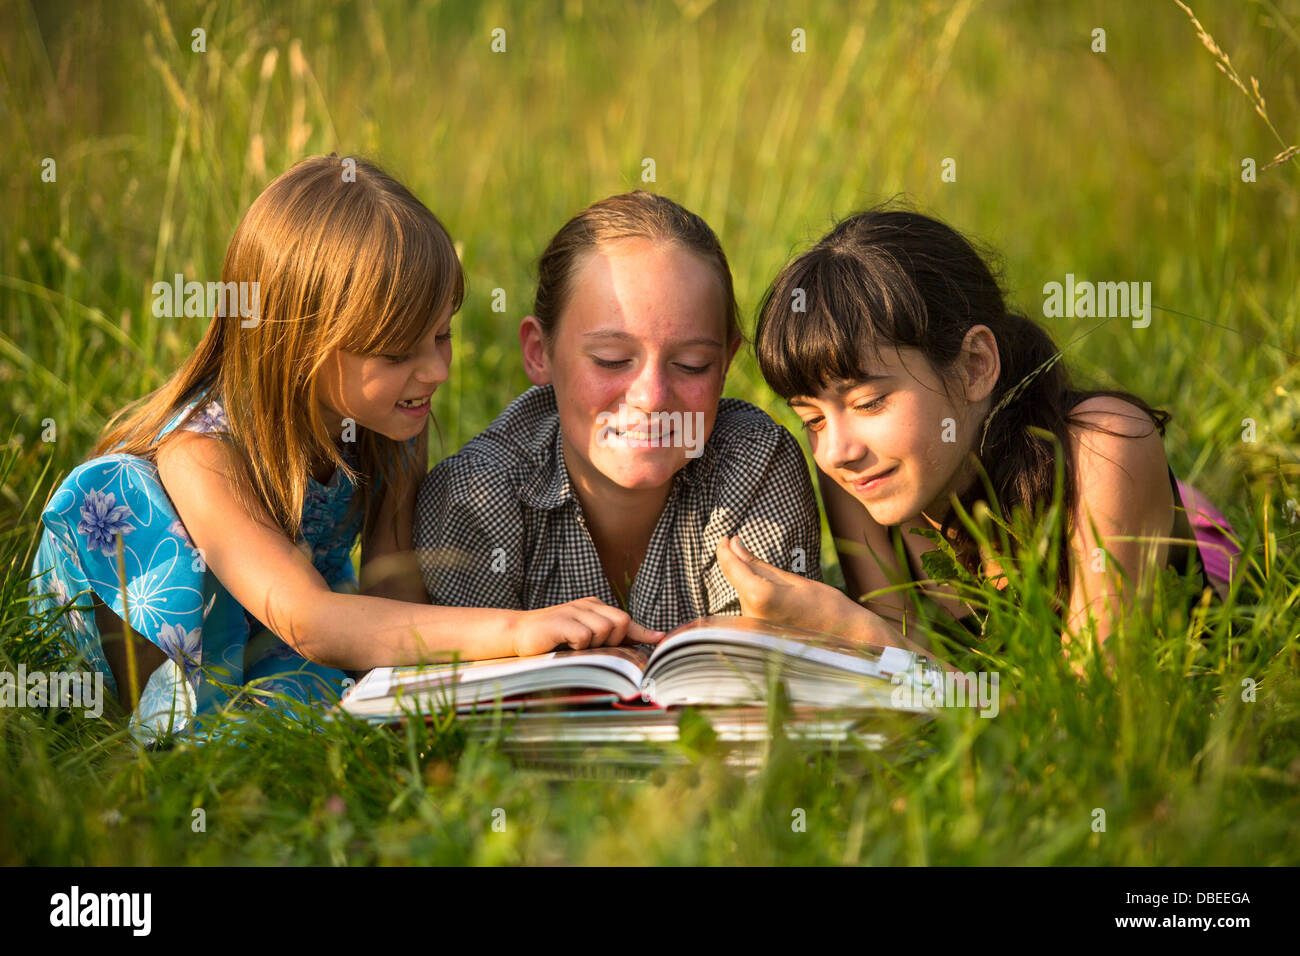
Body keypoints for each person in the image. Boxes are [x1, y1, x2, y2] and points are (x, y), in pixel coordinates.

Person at [28, 155, 660, 744]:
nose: (437, 370)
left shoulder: (388, 429)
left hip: (278, 624)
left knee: (336, 717)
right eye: (398, 353)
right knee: (120, 495)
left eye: (442, 336)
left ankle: (242, 715)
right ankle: (150, 728)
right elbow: (310, 619)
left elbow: (395, 599)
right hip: (175, 623)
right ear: (300, 345)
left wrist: (514, 668)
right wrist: (519, 631)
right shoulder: (203, 451)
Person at [714, 206, 1241, 671]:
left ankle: (1196, 510)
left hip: (1148, 528)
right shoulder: (863, 479)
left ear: (974, 366)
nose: (836, 452)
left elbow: (1089, 711)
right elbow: (909, 701)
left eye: (869, 402)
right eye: (813, 419)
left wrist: (851, 629)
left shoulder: (1105, 447)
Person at [414, 191, 823, 632]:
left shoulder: (754, 464)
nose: (651, 397)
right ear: (539, 353)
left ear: (725, 364)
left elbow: (765, 668)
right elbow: (470, 686)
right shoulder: (477, 493)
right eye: (611, 359)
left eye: (692, 366)